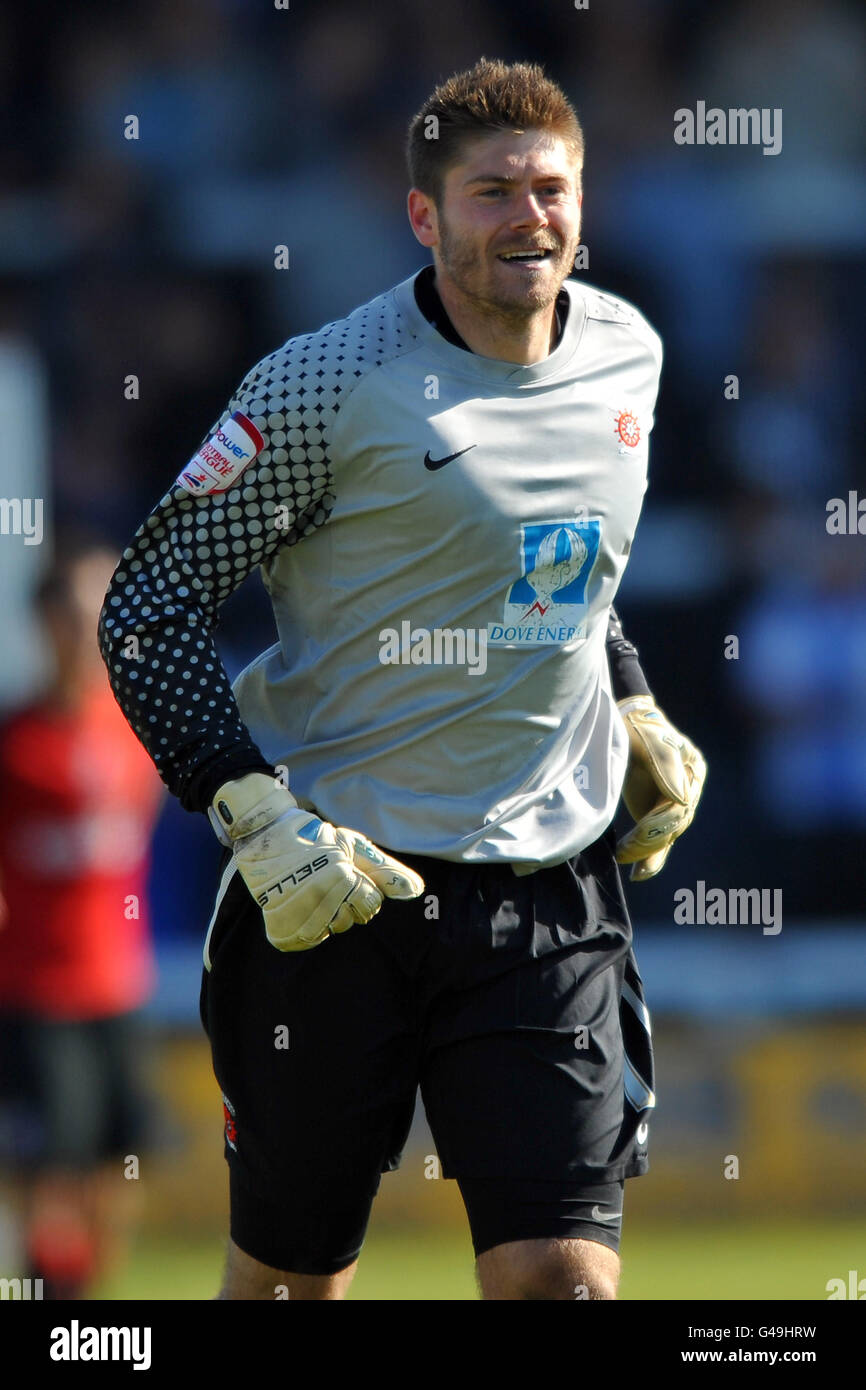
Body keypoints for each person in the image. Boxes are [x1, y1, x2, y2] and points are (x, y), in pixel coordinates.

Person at [99, 58, 705, 1301]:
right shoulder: (322, 385)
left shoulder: (630, 355)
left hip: (544, 892)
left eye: (549, 187)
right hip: (334, 893)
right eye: (490, 192)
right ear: (422, 216)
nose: (527, 215)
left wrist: (628, 693)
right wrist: (252, 812)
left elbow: (559, 559)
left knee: (564, 1282)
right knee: (287, 1285)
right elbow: (145, 610)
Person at [0, 537, 162, 1298]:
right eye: (71, 612)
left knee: (119, 1159)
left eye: (99, 611)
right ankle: (47, 1293)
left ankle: (91, 1303)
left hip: (118, 986)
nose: (84, 629)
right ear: (42, 621)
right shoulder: (15, 741)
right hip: (36, 991)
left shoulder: (135, 731)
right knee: (46, 1167)